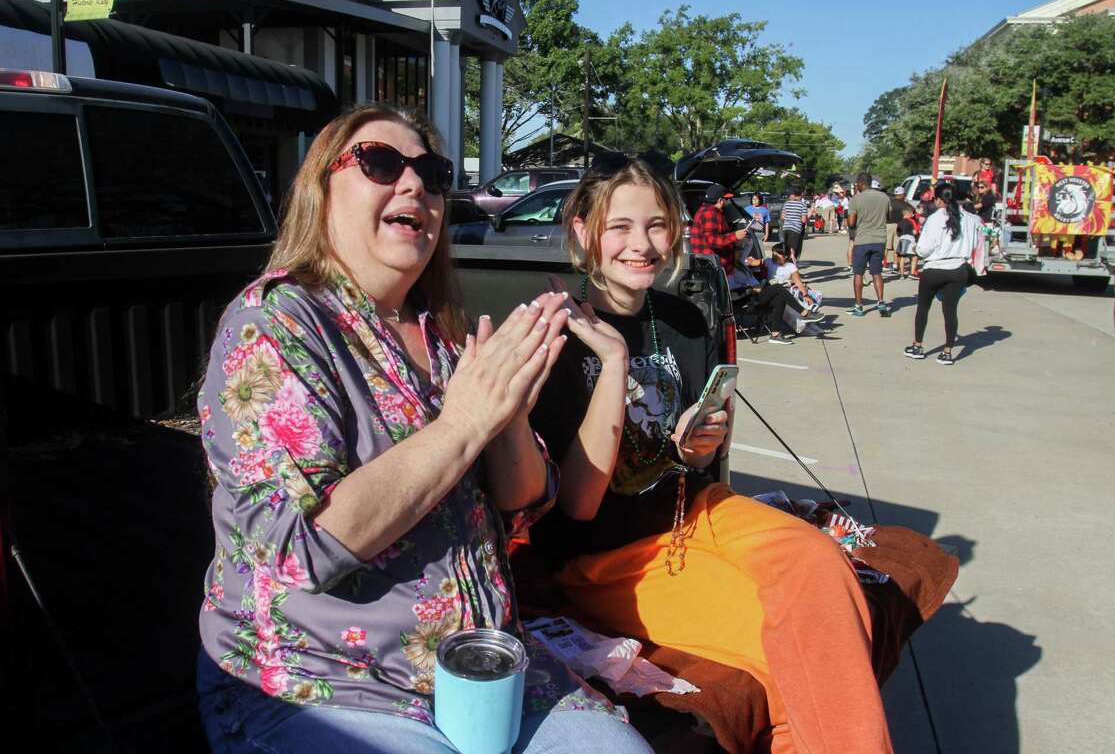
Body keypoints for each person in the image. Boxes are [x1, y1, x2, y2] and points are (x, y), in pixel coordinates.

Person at [194, 104, 652, 754]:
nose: (414, 185)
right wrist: (465, 420)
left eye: (433, 174)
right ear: (321, 190)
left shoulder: (441, 336)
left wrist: (507, 415)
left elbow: (524, 504)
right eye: (381, 163)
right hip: (323, 683)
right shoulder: (274, 325)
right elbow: (299, 548)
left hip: (479, 669)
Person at [528, 154, 893, 754]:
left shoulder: (684, 322)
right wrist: (614, 363)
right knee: (786, 648)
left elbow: (686, 460)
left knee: (819, 568)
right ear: (582, 232)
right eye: (619, 227)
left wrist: (697, 447)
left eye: (657, 225)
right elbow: (580, 505)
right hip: (606, 558)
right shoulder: (555, 339)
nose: (641, 244)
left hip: (696, 509)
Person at [904, 181, 982, 365]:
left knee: (923, 308)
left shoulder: (935, 218)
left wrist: (916, 249)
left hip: (934, 269)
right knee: (950, 311)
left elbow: (923, 249)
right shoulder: (970, 219)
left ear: (939, 200)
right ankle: (947, 351)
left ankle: (917, 345)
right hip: (958, 269)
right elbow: (973, 244)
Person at [847, 173, 892, 317]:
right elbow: (888, 216)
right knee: (877, 273)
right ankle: (881, 302)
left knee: (858, 273)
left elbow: (851, 223)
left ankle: (859, 307)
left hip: (862, 240)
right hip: (879, 239)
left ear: (860, 184)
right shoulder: (884, 197)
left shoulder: (856, 199)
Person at [689, 182, 747, 277]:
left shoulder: (704, 210)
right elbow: (712, 241)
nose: (727, 201)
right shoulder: (710, 214)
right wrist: (734, 236)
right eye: (726, 199)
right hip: (713, 267)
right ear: (720, 200)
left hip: (710, 265)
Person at [779, 186, 808, 263]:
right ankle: (792, 270)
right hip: (795, 230)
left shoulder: (787, 203)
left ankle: (786, 268)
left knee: (787, 249)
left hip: (785, 228)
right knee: (793, 252)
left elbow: (782, 217)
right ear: (801, 194)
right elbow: (803, 220)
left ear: (793, 194)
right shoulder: (803, 205)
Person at [885, 186, 907, 272]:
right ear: (902, 194)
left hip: (888, 224)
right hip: (899, 225)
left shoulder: (890, 202)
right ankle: (895, 264)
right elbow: (912, 211)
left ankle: (883, 263)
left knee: (886, 246)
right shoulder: (904, 204)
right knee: (896, 246)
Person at [895, 203, 919, 279]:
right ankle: (912, 274)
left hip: (902, 239)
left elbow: (898, 233)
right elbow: (915, 232)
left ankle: (901, 274)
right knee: (914, 257)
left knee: (902, 257)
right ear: (908, 214)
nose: (913, 215)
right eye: (912, 213)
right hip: (910, 239)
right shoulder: (912, 221)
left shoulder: (900, 223)